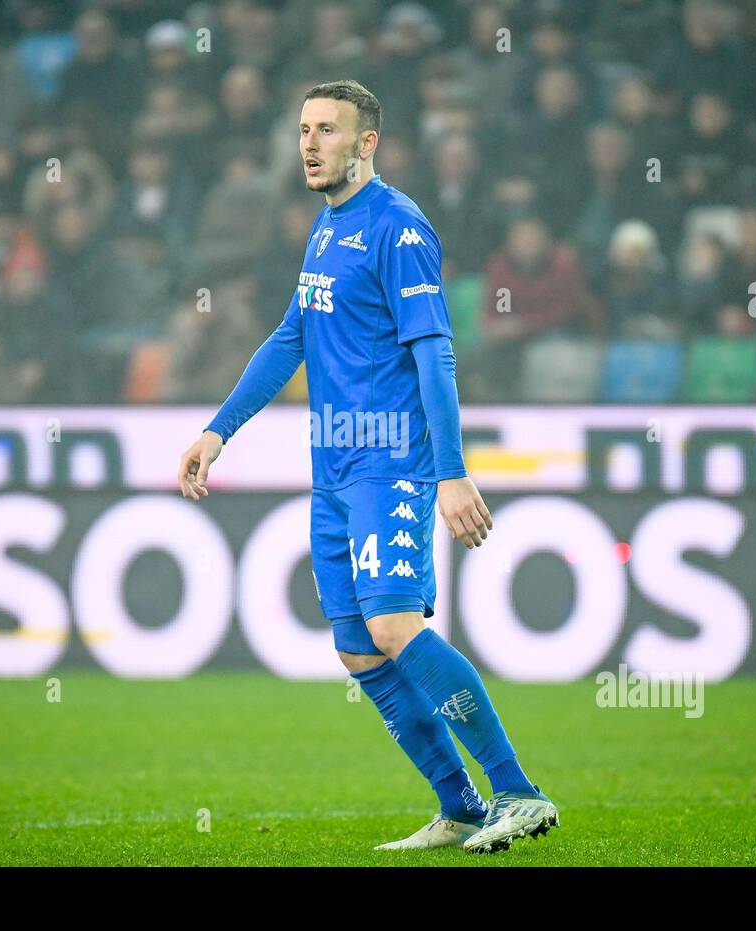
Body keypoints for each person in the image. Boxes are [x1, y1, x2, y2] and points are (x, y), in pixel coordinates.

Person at [177, 80, 558, 853]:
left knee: (393, 625)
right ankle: (461, 807)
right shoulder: (325, 229)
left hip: (393, 465)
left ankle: (519, 791)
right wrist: (219, 431)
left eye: (328, 130)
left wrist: (450, 471)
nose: (310, 143)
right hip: (334, 473)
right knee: (357, 648)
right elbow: (291, 338)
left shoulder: (398, 229)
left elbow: (436, 353)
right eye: (304, 129)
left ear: (367, 143)